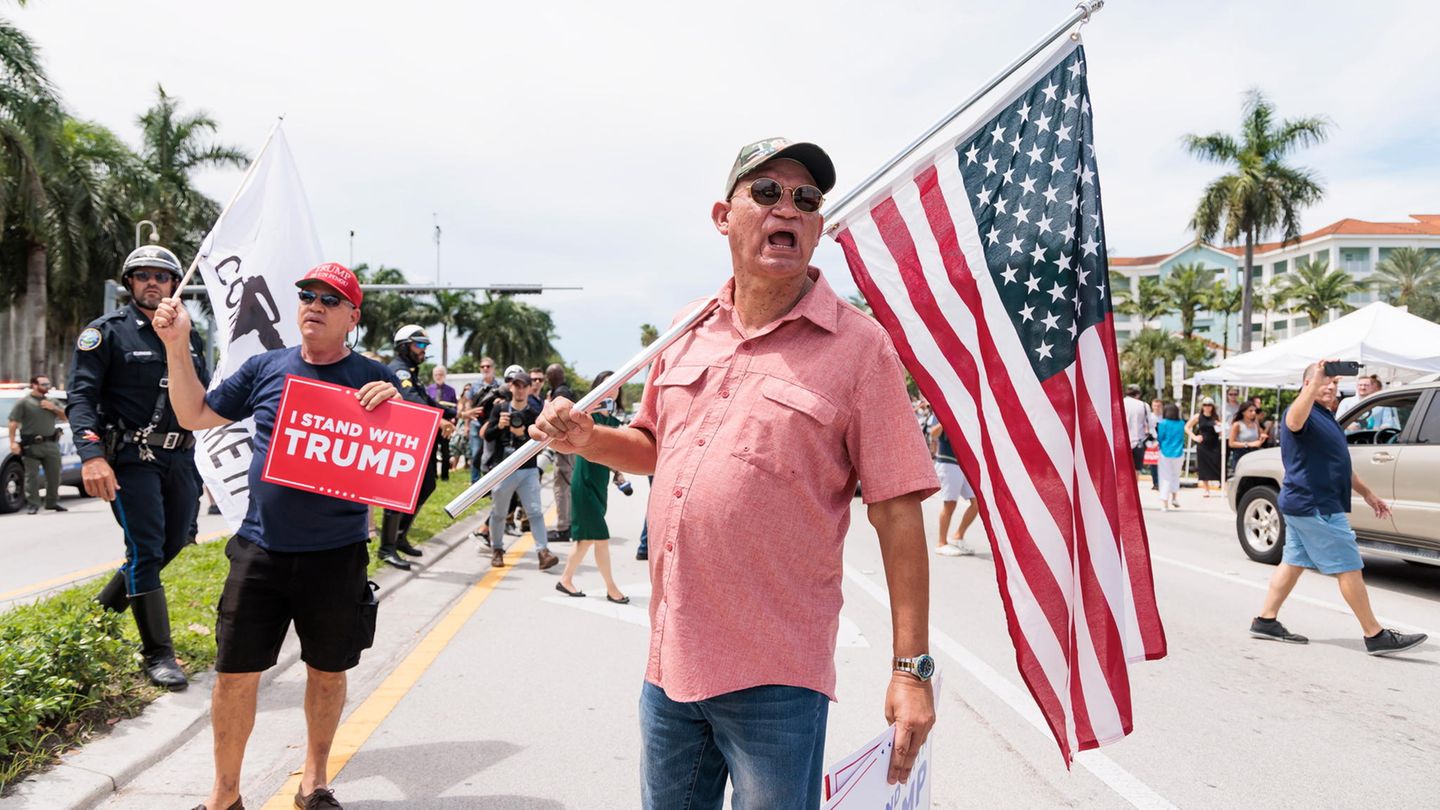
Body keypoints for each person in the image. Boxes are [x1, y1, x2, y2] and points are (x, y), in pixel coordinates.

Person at [531, 138, 937, 807]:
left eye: (807, 199)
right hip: (670, 667)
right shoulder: (685, 330)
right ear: (725, 216)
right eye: (768, 192)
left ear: (818, 225)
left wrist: (911, 672)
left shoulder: (859, 348)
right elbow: (653, 445)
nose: (790, 208)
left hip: (776, 681)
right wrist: (588, 439)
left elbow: (896, 508)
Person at [152, 261, 400, 810]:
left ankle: (313, 783)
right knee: (233, 676)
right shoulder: (266, 368)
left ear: (352, 316)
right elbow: (194, 414)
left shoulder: (376, 377)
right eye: (308, 294)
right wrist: (176, 343)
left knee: (328, 672)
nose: (315, 303)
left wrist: (396, 404)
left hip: (336, 555)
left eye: (330, 299)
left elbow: (413, 447)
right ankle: (225, 797)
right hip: (259, 550)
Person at [68, 244, 210, 690]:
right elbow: (81, 398)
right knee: (147, 547)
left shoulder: (189, 334)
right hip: (132, 458)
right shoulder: (105, 332)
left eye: (162, 276)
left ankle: (100, 613)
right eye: (143, 275)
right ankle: (159, 656)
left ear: (174, 285)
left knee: (176, 540)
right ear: (130, 283)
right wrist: (92, 456)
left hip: (181, 455)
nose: (154, 282)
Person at [1249, 360, 1427, 657]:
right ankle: (1375, 634)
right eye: (1324, 381)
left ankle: (1265, 620)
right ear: (1308, 385)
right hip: (1314, 504)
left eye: (1334, 382)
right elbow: (1293, 420)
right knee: (1349, 565)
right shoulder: (1301, 412)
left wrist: (1368, 494)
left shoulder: (1325, 416)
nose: (1331, 386)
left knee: (1293, 563)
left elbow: (1340, 462)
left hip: (1308, 503)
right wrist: (1313, 381)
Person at [377, 325, 450, 570]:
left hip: (417, 440)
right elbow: (413, 400)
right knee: (398, 494)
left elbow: (428, 400)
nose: (423, 350)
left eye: (425, 345)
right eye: (419, 344)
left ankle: (399, 537)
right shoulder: (398, 370)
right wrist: (438, 419)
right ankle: (386, 548)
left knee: (427, 485)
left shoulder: (411, 372)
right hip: (402, 439)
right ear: (403, 346)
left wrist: (455, 412)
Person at [556, 371, 630, 602]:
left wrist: (618, 473)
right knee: (600, 536)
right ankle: (611, 588)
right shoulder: (587, 416)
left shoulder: (614, 420)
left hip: (600, 483)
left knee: (587, 539)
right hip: (585, 481)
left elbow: (614, 453)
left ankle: (565, 579)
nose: (612, 390)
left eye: (616, 385)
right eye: (607, 386)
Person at [483, 365, 560, 571]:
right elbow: (487, 436)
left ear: (528, 389)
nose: (519, 390)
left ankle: (543, 552)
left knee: (535, 512)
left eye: (523, 386)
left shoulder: (533, 413)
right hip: (503, 468)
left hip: (528, 470)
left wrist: (521, 434)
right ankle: (497, 549)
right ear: (511, 388)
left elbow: (542, 442)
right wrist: (499, 426)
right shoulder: (500, 409)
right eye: (516, 386)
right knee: (498, 512)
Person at [7, 374, 68, 515]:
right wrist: (12, 442)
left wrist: (53, 408)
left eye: (48, 384)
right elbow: (13, 423)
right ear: (34, 385)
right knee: (31, 476)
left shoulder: (51, 401)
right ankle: (33, 504)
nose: (47, 387)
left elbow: (66, 416)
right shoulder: (24, 402)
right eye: (44, 384)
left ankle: (52, 502)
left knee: (54, 475)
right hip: (31, 445)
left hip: (51, 444)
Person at [929, 421, 978, 556]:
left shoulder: (964, 410)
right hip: (948, 463)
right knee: (949, 504)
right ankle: (941, 543)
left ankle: (958, 536)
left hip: (963, 464)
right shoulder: (944, 406)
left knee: (977, 503)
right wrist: (945, 420)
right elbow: (933, 433)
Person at [545, 363, 577, 544]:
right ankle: (567, 524)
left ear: (551, 378)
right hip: (569, 446)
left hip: (564, 446)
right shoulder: (567, 391)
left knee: (561, 487)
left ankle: (563, 528)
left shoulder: (560, 395)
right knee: (566, 487)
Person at [427, 365, 458, 480]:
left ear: (444, 376)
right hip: (433, 424)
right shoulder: (428, 389)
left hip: (447, 424)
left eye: (440, 374)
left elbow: (455, 408)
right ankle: (433, 475)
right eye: (436, 374)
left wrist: (454, 418)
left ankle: (445, 476)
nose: (438, 376)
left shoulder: (451, 390)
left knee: (445, 451)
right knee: (432, 451)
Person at [1186, 396, 1223, 496]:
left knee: (1218, 464)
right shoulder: (1198, 416)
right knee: (1203, 467)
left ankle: (1222, 485)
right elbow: (1187, 427)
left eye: (1209, 405)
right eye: (1205, 405)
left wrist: (1220, 426)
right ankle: (1206, 489)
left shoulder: (1216, 417)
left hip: (1214, 444)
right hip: (1203, 445)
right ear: (1202, 406)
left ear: (1212, 406)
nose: (1207, 407)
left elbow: (1221, 433)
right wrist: (1194, 437)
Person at [1155, 404, 1185, 511]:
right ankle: (1174, 498)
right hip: (1179, 452)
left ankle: (1164, 503)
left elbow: (1160, 438)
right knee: (1175, 475)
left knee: (1165, 477)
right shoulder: (1181, 423)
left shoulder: (1163, 423)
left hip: (1165, 452)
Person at [1227, 401, 1266, 471]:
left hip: (1254, 455)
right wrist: (1249, 444)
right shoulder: (1237, 425)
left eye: (1254, 411)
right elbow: (1231, 443)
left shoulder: (1255, 423)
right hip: (1241, 455)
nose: (1254, 413)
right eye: (1250, 411)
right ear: (1243, 412)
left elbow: (1258, 438)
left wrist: (1262, 437)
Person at [1122, 384, 1150, 473]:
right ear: (1138, 394)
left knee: (1122, 469)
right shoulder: (1144, 405)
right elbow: (1150, 424)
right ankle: (1134, 486)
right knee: (1136, 470)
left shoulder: (1119, 402)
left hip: (1121, 442)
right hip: (1138, 441)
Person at [1147, 398, 1163, 490]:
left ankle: (1161, 482)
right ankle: (1155, 483)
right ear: (1152, 406)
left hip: (1163, 442)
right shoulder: (1150, 417)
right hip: (1153, 441)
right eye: (1155, 405)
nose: (1157, 407)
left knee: (1162, 463)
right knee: (1153, 464)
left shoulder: (1164, 417)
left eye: (1158, 405)